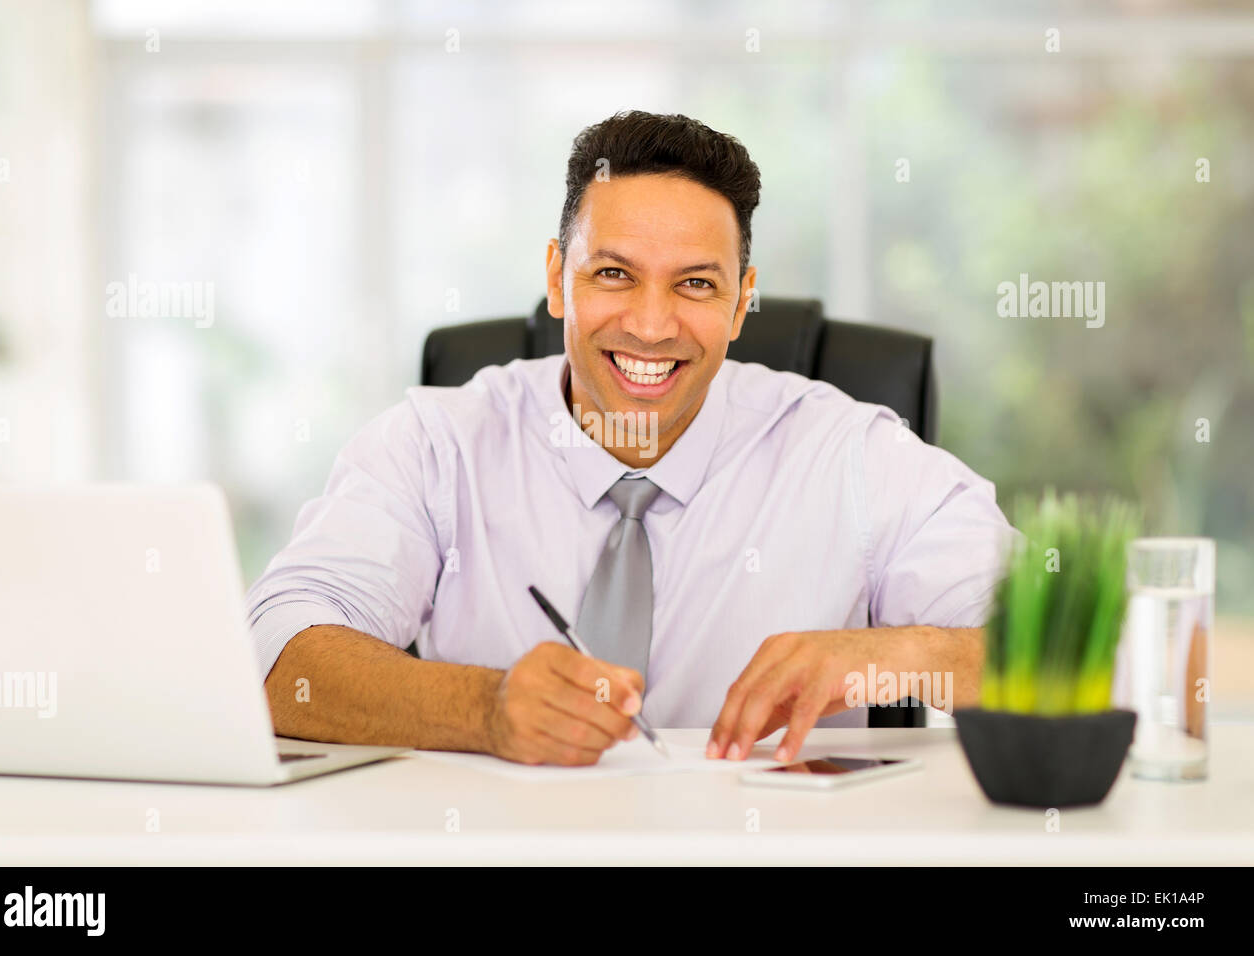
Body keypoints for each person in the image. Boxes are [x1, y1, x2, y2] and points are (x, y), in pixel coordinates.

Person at [246, 110, 1017, 767]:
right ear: (557, 279)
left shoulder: (850, 456)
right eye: (614, 274)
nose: (651, 326)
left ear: (744, 302)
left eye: (696, 283)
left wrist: (892, 657)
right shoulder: (436, 445)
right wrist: (484, 709)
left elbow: (1074, 651)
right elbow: (274, 654)